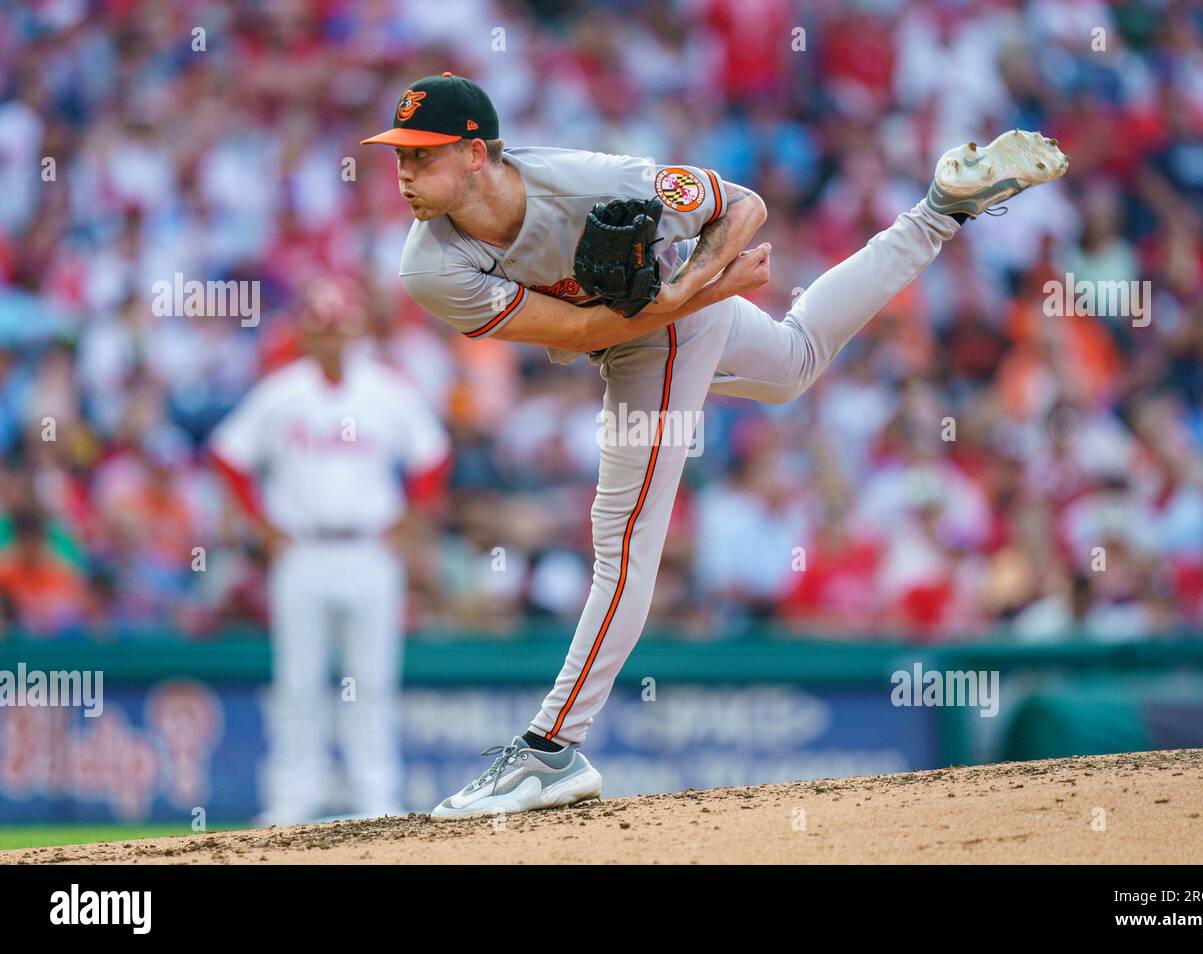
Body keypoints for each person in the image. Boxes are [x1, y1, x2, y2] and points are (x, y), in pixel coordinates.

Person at [360, 73, 1067, 818]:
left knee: (622, 542)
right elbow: (575, 332)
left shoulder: (581, 181)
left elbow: (744, 205)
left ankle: (549, 752)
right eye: (398, 155)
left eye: (421, 154)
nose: (403, 172)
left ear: (476, 154)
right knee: (793, 362)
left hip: (666, 323)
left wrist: (698, 280)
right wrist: (705, 292)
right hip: (648, 321)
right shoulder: (429, 265)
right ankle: (938, 211)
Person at [210, 278, 451, 824]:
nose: (332, 338)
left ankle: (377, 798)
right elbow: (229, 455)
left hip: (370, 548)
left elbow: (433, 457)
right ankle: (293, 799)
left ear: (357, 329)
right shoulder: (283, 391)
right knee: (298, 680)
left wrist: (411, 523)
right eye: (321, 328)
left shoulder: (386, 389)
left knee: (373, 680)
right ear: (304, 333)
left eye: (340, 326)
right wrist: (262, 526)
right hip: (303, 548)